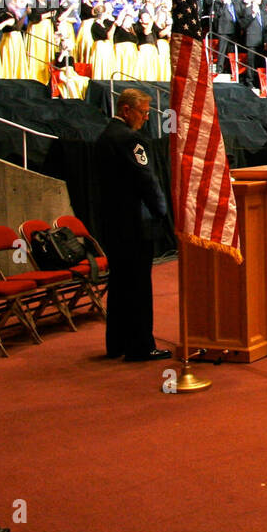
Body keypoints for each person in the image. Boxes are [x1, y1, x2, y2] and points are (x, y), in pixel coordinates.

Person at [94, 88, 171, 361]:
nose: (145, 118)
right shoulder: (130, 139)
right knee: (138, 287)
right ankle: (140, 345)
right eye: (143, 112)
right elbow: (146, 180)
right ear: (126, 110)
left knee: (119, 286)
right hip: (135, 225)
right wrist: (163, 212)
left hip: (113, 224)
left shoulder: (104, 137)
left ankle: (116, 343)